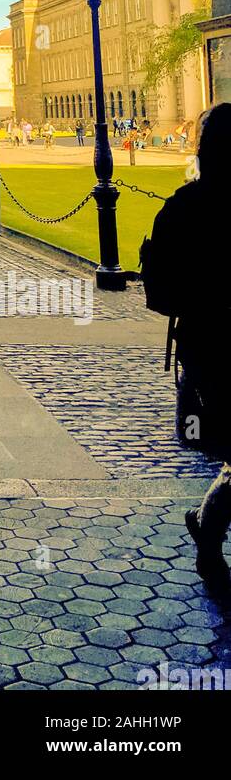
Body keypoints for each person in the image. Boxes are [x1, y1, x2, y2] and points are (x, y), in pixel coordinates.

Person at [141, 104, 231, 594]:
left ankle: (207, 527)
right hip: (212, 347)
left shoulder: (181, 207)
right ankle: (208, 531)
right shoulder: (185, 208)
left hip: (204, 345)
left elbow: (160, 289)